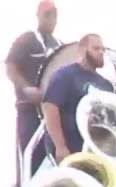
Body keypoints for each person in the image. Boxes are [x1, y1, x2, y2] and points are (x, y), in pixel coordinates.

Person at [5, 0, 59, 187]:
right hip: (29, 109)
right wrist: (27, 88)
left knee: (53, 157)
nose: (51, 19)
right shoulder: (26, 40)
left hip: (52, 112)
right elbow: (11, 66)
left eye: (54, 15)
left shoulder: (59, 45)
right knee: (29, 156)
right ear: (38, 16)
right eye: (47, 15)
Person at [40, 33, 110, 162]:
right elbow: (50, 107)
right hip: (69, 151)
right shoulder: (66, 75)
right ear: (82, 50)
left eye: (103, 49)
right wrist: (60, 146)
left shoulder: (106, 85)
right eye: (96, 48)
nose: (101, 52)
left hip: (94, 155)